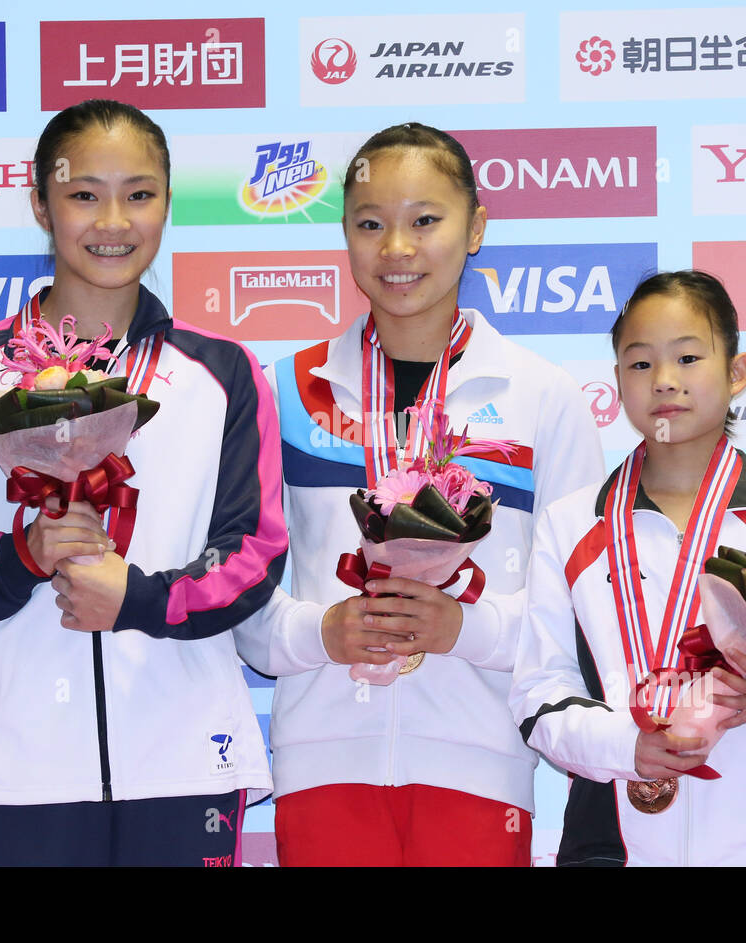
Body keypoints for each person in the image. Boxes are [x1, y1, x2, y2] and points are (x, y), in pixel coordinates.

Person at [0, 99, 287, 866]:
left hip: (187, 756)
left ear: (167, 201)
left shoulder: (224, 374)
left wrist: (139, 598)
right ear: (40, 202)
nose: (113, 222)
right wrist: (19, 558)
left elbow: (254, 556)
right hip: (23, 769)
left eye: (139, 193)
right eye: (83, 193)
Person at [234, 123, 603, 866]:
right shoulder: (281, 393)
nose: (396, 249)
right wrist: (321, 632)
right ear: (344, 235)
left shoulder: (543, 398)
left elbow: (581, 609)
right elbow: (238, 597)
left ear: (476, 229)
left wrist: (462, 629)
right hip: (320, 761)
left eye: (425, 220)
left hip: (481, 761)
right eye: (370, 224)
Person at [510, 270, 746, 866]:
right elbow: (538, 694)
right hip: (610, 847)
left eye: (688, 357)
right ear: (616, 383)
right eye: (640, 365)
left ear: (737, 372)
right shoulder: (569, 526)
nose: (664, 381)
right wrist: (626, 744)